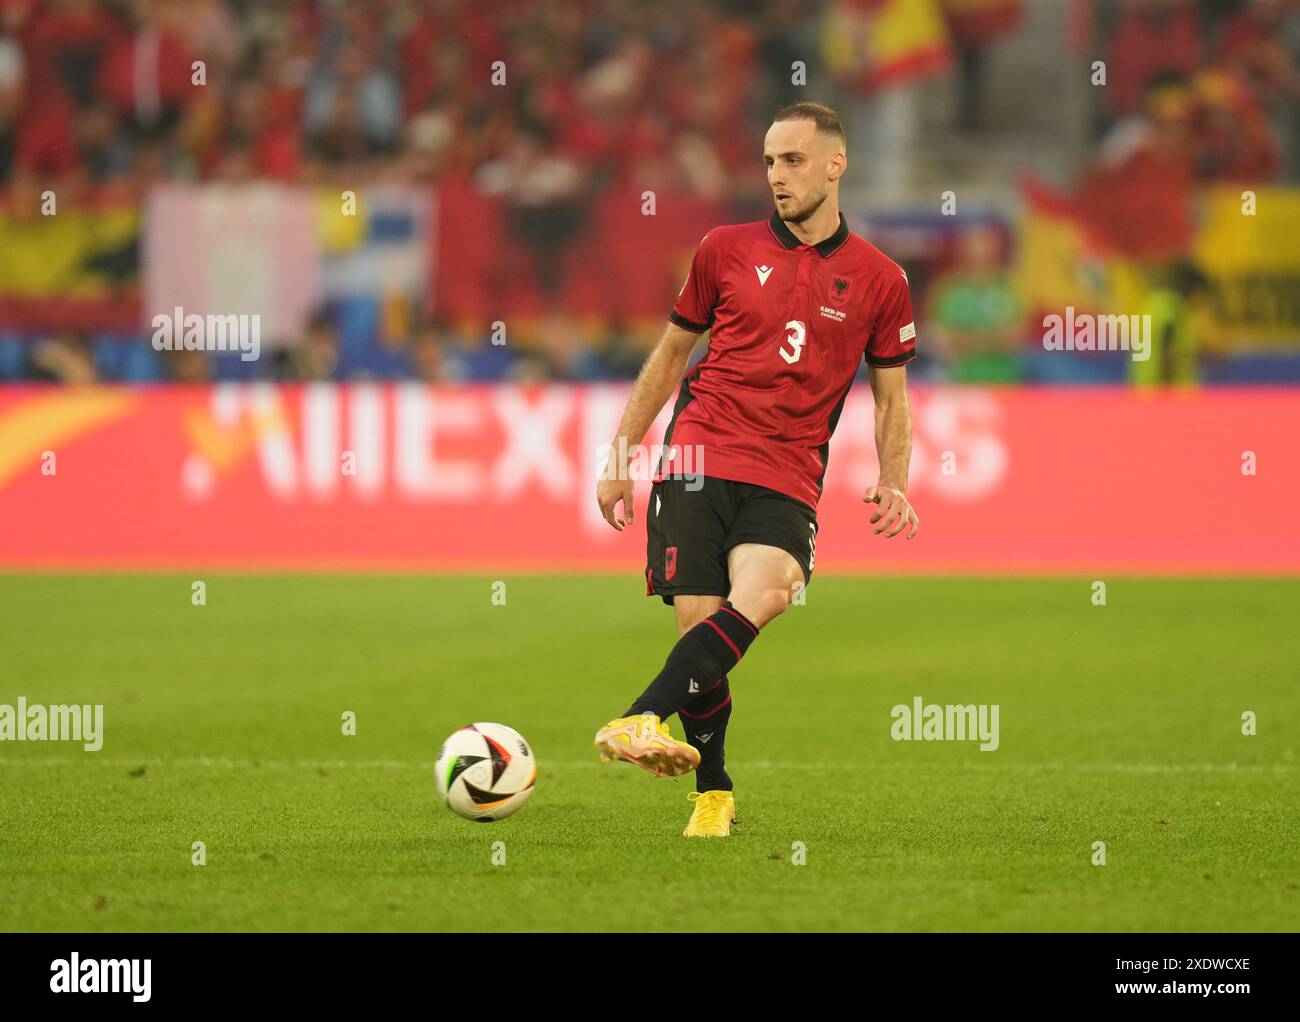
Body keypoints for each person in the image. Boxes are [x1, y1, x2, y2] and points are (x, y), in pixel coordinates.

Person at [593, 102, 919, 838]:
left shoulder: (881, 279)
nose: (777, 175)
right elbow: (672, 355)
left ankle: (639, 716)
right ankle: (713, 790)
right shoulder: (722, 249)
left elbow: (893, 399)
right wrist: (621, 454)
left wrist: (895, 477)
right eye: (770, 161)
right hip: (700, 454)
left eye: (793, 161)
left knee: (770, 590)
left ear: (836, 165)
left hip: (789, 471)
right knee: (700, 634)